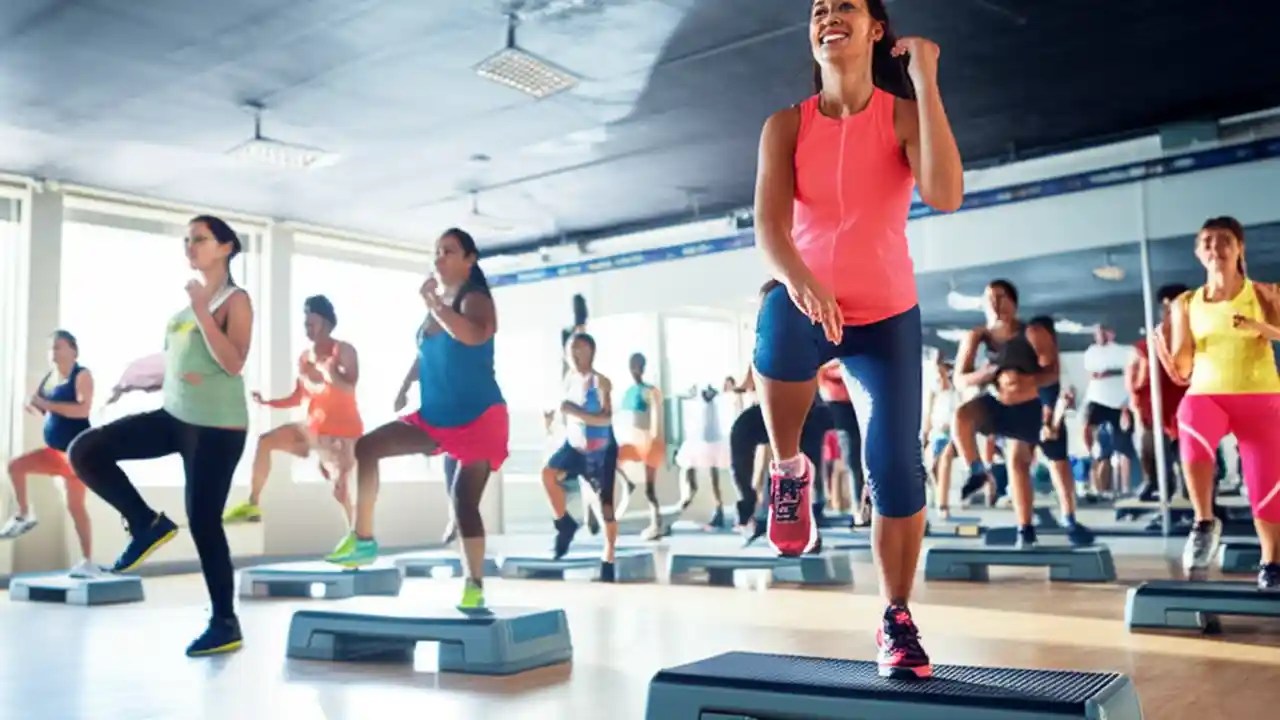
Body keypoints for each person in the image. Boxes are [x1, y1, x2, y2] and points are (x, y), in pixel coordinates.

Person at [753, 0, 962, 677]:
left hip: (888, 314)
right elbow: (770, 229)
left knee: (897, 466)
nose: (826, 15)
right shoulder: (786, 125)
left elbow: (946, 193)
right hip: (808, 297)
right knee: (775, 329)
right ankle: (790, 470)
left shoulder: (900, 116)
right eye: (817, 8)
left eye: (843, 5)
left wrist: (926, 83)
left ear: (876, 29)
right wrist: (802, 283)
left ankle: (896, 618)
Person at [68, 215, 252, 657]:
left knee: (205, 522)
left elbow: (233, 362)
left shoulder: (234, 300)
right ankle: (146, 523)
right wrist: (143, 382)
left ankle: (224, 623)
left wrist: (203, 311)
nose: (191, 247)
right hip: (175, 415)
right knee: (86, 449)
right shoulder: (182, 313)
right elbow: (182, 364)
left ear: (225, 247)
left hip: (216, 427)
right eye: (187, 241)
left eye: (201, 240)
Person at [324, 229, 506, 611]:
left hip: (478, 417)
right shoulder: (436, 305)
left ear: (469, 260)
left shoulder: (475, 300)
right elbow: (427, 353)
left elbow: (473, 336)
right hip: (436, 416)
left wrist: (435, 305)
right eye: (436, 252)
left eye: (449, 252)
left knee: (463, 502)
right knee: (368, 447)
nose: (439, 258)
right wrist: (407, 384)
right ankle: (363, 537)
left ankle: (473, 583)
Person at [1153, 216, 1280, 588]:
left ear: (1239, 248)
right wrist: (1171, 359)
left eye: (1224, 240)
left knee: (1266, 488)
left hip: (1261, 398)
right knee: (1188, 415)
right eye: (1207, 241)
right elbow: (1184, 364)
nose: (1215, 247)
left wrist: (1261, 328)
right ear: (1198, 252)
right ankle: (1204, 521)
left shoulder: (1264, 293)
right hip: (1208, 393)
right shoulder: (1185, 303)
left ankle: (1271, 562)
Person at [954, 282, 1092, 548]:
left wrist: (1049, 411)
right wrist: (982, 376)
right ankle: (982, 477)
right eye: (989, 299)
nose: (995, 304)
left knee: (1057, 462)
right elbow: (959, 379)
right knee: (967, 421)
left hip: (1037, 406)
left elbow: (1051, 374)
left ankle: (1069, 516)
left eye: (1001, 297)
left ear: (1014, 302)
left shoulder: (1033, 332)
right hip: (1004, 407)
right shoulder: (977, 336)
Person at [223, 296, 362, 533]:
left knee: (341, 491)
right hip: (312, 429)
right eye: (305, 324)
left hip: (343, 434)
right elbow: (299, 397)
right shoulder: (304, 356)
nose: (307, 329)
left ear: (327, 324)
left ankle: (357, 537)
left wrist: (323, 369)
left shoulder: (343, 350)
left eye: (312, 324)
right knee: (265, 442)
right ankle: (253, 505)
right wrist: (268, 402)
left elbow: (349, 386)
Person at [1, 331, 99, 576]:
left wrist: (46, 405)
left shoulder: (82, 375)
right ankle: (25, 514)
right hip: (57, 452)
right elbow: (48, 412)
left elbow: (81, 410)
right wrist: (34, 405)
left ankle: (86, 561)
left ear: (73, 351)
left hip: (78, 453)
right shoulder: (50, 378)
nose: (52, 353)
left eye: (58, 347)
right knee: (16, 467)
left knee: (75, 507)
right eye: (50, 349)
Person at [541, 333, 620, 581]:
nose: (574, 355)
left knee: (605, 505)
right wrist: (550, 419)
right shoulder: (569, 380)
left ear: (591, 352)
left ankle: (608, 556)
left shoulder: (601, 382)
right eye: (570, 350)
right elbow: (562, 412)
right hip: (574, 446)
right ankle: (564, 523)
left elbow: (606, 418)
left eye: (579, 350)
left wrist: (574, 411)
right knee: (548, 474)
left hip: (601, 448)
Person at [1126, 284, 1189, 503]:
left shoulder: (1197, 340)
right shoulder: (1149, 344)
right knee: (1150, 450)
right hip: (1154, 408)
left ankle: (1194, 494)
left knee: (1190, 455)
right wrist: (1134, 404)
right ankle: (1155, 483)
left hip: (1187, 407)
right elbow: (1134, 374)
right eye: (1168, 308)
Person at [617, 352, 667, 539]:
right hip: (632, 439)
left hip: (648, 441)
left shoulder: (649, 390)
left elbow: (656, 413)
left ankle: (656, 523)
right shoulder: (629, 392)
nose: (634, 370)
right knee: (610, 458)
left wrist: (655, 436)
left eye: (637, 366)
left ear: (642, 368)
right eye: (632, 366)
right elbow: (624, 418)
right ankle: (628, 483)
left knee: (649, 489)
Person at [1082, 324, 1133, 497]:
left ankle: (1125, 487)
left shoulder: (1123, 352)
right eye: (1098, 333)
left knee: (1124, 446)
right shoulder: (1091, 353)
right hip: (1098, 400)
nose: (1101, 336)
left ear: (1111, 334)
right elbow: (1093, 374)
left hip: (1120, 402)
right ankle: (1098, 484)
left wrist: (1127, 405)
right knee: (1093, 436)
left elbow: (1128, 372)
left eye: (1104, 332)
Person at [817, 359, 869, 525]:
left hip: (862, 400)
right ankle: (858, 508)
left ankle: (869, 506)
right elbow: (822, 372)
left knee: (868, 454)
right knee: (851, 456)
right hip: (838, 404)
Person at [674, 384, 731, 528]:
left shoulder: (711, 399)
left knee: (711, 477)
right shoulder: (700, 397)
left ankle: (716, 510)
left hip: (708, 439)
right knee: (691, 470)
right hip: (701, 438)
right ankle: (686, 500)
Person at [922, 357, 957, 520]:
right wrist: (925, 434)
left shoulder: (956, 390)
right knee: (932, 465)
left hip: (954, 434)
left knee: (945, 459)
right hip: (937, 434)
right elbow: (928, 414)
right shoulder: (934, 391)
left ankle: (943, 504)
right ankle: (939, 495)